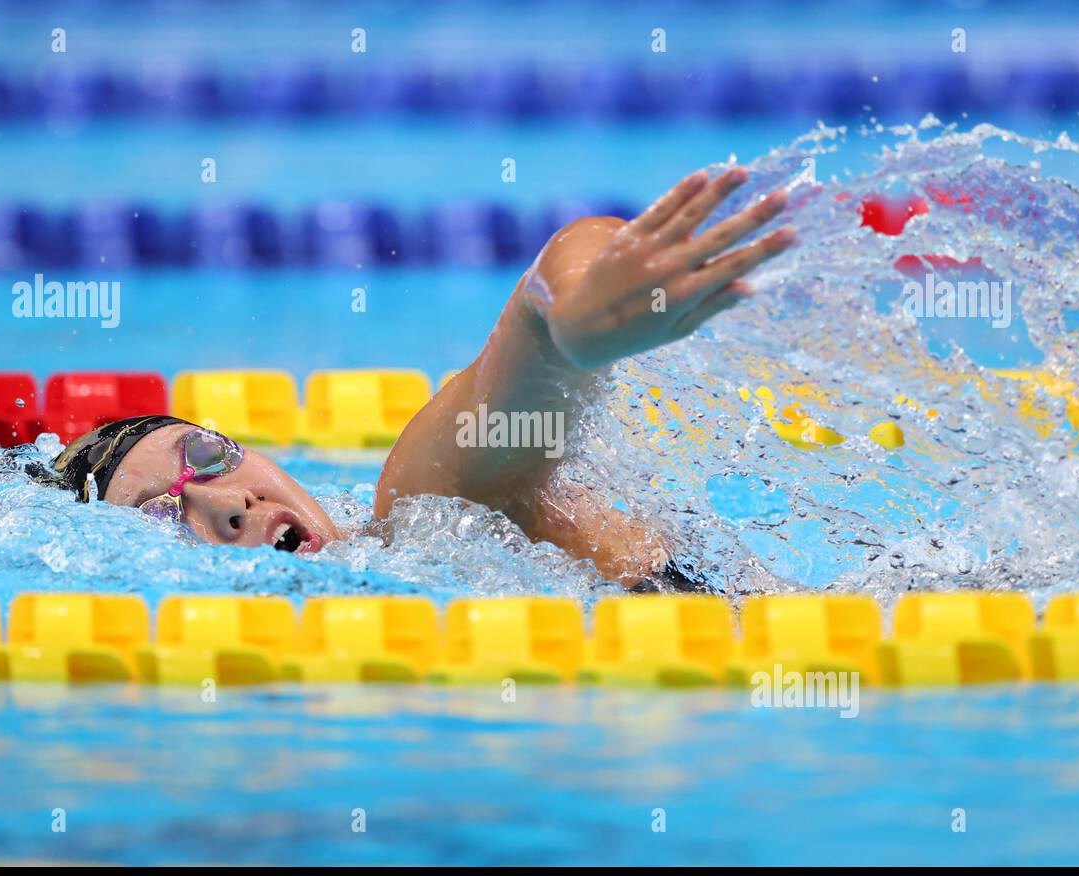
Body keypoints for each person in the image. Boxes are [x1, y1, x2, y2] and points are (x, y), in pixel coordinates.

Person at [44, 167, 795, 589]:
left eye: (206, 457)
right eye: (164, 519)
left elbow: (539, 311)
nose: (226, 503)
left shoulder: (423, 514)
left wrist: (573, 315)